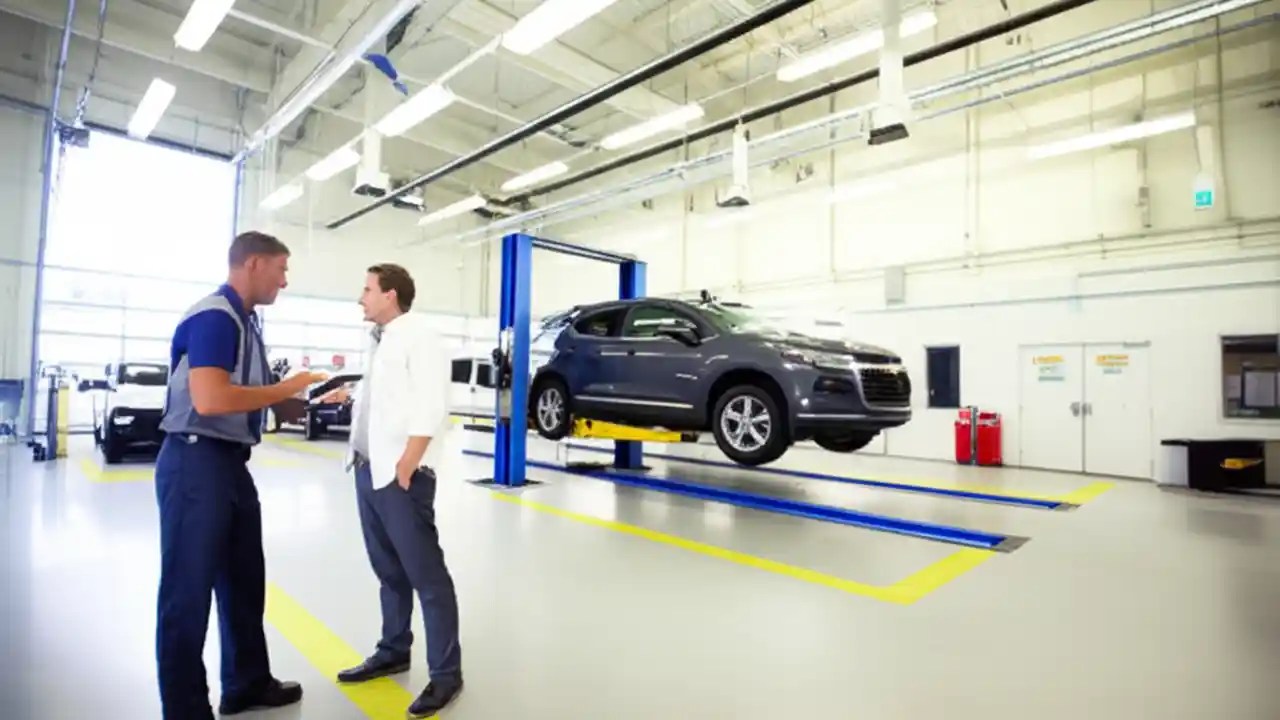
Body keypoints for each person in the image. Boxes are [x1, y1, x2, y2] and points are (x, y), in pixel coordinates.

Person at [154, 231, 327, 719]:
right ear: (253, 264)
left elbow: (241, 396)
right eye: (281, 269)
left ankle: (246, 683)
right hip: (195, 462)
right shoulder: (214, 316)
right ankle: (186, 709)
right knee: (187, 592)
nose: (285, 280)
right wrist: (282, 389)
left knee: (244, 580)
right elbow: (209, 400)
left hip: (229, 463)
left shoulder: (247, 323)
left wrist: (299, 401)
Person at [328, 263, 463, 717]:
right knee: (389, 570)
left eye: (367, 289)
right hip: (369, 469)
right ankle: (393, 649)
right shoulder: (378, 339)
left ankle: (446, 675)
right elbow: (386, 397)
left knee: (428, 577)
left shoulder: (419, 334)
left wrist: (410, 460)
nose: (360, 297)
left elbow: (431, 400)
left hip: (401, 475)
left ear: (391, 294)